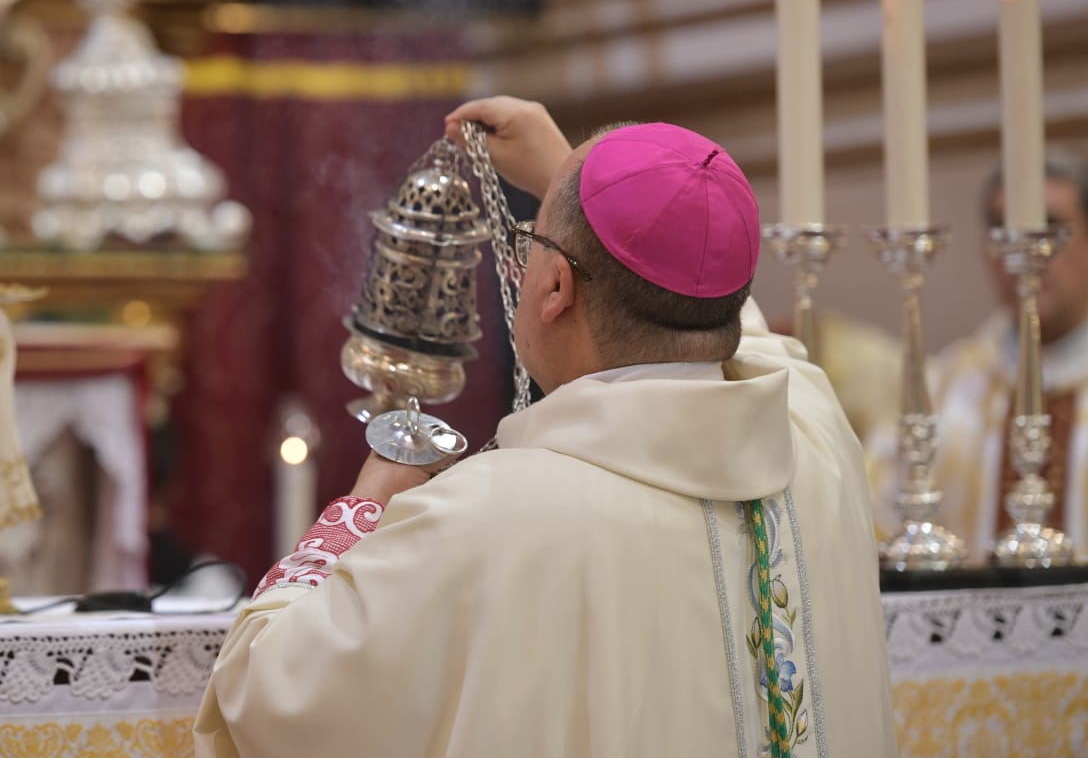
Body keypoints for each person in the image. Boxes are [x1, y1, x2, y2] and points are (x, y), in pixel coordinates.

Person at [194, 97, 896, 757]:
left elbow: (268, 688)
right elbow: (714, 311)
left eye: (534, 245)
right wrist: (585, 183)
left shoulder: (484, 518)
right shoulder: (817, 434)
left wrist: (368, 502)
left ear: (556, 287)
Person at [867, 155, 1088, 560]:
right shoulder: (939, 389)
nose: (1025, 251)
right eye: (1003, 230)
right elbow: (873, 523)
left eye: (1051, 228)